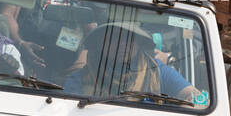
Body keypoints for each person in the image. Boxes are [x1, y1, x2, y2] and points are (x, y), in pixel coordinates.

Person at [64, 23, 200, 103]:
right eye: (115, 38)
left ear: (139, 44)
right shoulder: (81, 78)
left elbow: (195, 97)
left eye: (129, 39)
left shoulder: (157, 71)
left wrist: (195, 103)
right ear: (102, 44)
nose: (123, 45)